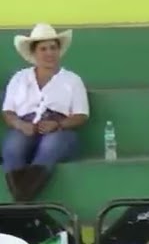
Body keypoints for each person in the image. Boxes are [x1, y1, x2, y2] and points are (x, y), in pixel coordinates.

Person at [2, 24, 87, 202]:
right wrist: (20, 125)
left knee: (50, 146)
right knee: (12, 147)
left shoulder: (72, 80)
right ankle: (24, 200)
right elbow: (8, 111)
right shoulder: (19, 78)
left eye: (53, 48)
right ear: (34, 53)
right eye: (43, 49)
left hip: (59, 127)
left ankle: (21, 201)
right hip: (25, 125)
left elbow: (81, 115)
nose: (49, 53)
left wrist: (58, 124)